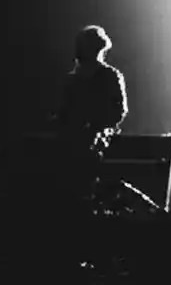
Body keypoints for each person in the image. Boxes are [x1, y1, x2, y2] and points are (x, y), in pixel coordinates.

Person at [49, 25, 128, 275]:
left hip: (93, 144)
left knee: (82, 195)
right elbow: (63, 112)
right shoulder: (72, 79)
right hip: (72, 144)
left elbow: (118, 112)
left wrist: (96, 126)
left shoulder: (108, 76)